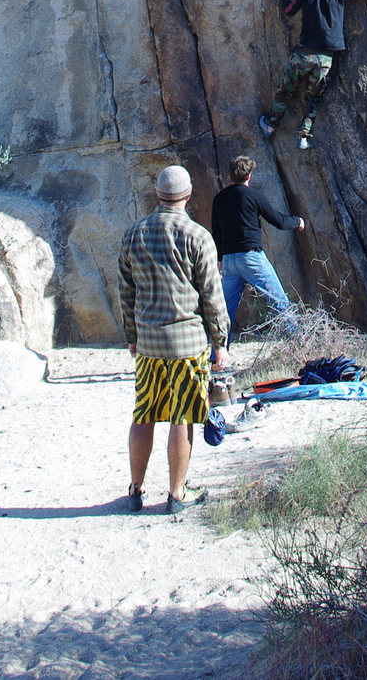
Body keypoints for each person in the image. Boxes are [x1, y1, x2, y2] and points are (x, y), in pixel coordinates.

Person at [118, 163, 230, 514]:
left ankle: (135, 490)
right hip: (187, 344)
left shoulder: (133, 235)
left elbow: (126, 291)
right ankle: (177, 493)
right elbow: (212, 294)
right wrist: (220, 340)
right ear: (188, 194)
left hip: (149, 344)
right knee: (182, 417)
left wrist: (132, 336)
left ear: (157, 193)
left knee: (144, 414)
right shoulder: (197, 237)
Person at [259, 0, 367, 149]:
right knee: (313, 98)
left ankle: (271, 127)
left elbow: (289, 10)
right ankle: (303, 138)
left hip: (304, 55)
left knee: (285, 90)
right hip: (326, 59)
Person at [211, 155, 305, 340]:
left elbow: (217, 232)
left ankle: (217, 357)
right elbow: (278, 220)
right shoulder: (253, 196)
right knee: (279, 303)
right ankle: (299, 345)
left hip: (230, 260)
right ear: (249, 176)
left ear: (231, 175)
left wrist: (220, 260)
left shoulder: (219, 198)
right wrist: (298, 221)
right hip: (251, 258)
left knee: (224, 311)